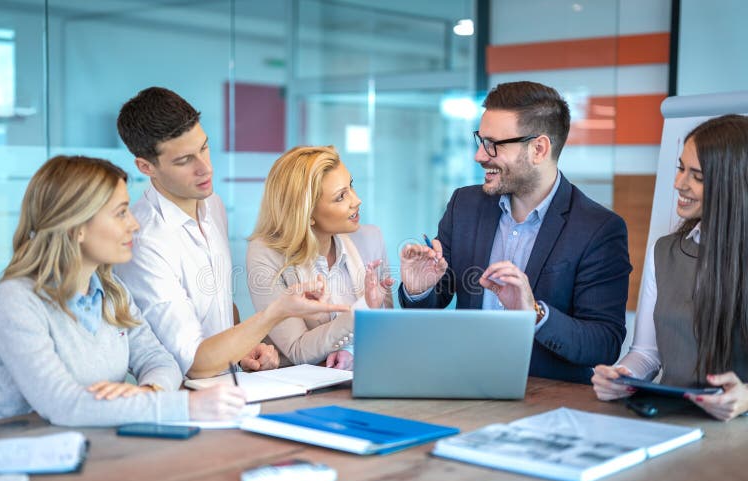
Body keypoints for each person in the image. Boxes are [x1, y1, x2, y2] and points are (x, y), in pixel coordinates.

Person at [0, 155, 248, 426]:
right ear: (76, 228)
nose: (134, 224)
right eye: (121, 213)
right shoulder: (14, 300)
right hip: (20, 454)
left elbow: (160, 362)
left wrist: (147, 392)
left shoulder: (112, 292)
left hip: (102, 447)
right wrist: (187, 406)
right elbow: (64, 406)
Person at [399, 81, 631, 384]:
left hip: (545, 401)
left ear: (538, 149)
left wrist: (534, 313)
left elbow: (604, 343)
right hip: (461, 386)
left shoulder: (598, 229)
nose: (480, 156)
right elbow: (437, 299)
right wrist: (420, 289)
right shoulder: (464, 205)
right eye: (480, 141)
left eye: (494, 144)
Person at [114, 87, 348, 379]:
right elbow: (194, 363)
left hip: (230, 388)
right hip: (181, 400)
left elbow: (218, 308)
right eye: (184, 160)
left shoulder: (212, 205)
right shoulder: (144, 240)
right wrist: (274, 313)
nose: (205, 168)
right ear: (146, 167)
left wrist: (242, 349)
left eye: (204, 148)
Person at [592, 114, 748, 421]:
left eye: (697, 176)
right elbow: (648, 354)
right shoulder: (664, 252)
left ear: (733, 182)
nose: (679, 183)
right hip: (672, 424)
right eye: (680, 169)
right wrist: (623, 376)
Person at [246, 145, 393, 368]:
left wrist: (351, 352)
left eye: (350, 186)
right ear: (308, 214)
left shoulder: (371, 239)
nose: (357, 200)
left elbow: (385, 334)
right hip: (301, 392)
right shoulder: (266, 254)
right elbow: (297, 349)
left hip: (364, 378)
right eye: (340, 197)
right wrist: (361, 311)